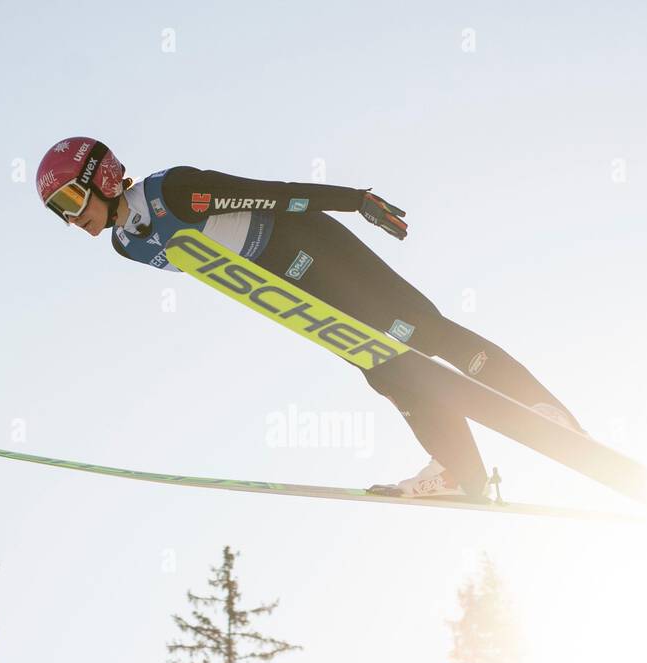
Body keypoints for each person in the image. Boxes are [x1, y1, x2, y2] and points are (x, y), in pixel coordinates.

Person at [35, 136, 583, 499]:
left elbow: (269, 196)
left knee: (423, 331)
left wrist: (354, 199)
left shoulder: (172, 193)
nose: (71, 218)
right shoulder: (127, 245)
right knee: (388, 371)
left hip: (315, 247)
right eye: (59, 211)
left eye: (70, 199)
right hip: (292, 284)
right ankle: (462, 472)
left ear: (100, 176)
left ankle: (546, 410)